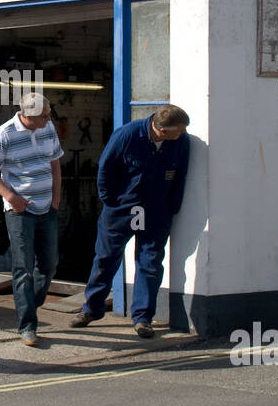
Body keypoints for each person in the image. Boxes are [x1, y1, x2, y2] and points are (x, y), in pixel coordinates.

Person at [70, 104, 190, 337]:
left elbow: (180, 175)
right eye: (180, 129)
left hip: (156, 211)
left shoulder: (180, 143)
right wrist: (110, 200)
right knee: (106, 258)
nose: (183, 133)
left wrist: (172, 207)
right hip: (122, 209)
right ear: (162, 130)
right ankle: (91, 309)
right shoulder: (127, 135)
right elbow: (105, 167)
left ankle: (143, 318)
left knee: (150, 262)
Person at [0, 93, 64, 347]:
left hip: (46, 207)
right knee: (23, 268)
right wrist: (10, 196)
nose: (49, 118)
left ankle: (30, 303)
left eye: (49, 113)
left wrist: (56, 199)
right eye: (44, 115)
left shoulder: (47, 127)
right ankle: (27, 325)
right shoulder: (4, 134)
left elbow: (55, 163)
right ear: (28, 116)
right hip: (19, 211)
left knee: (49, 263)